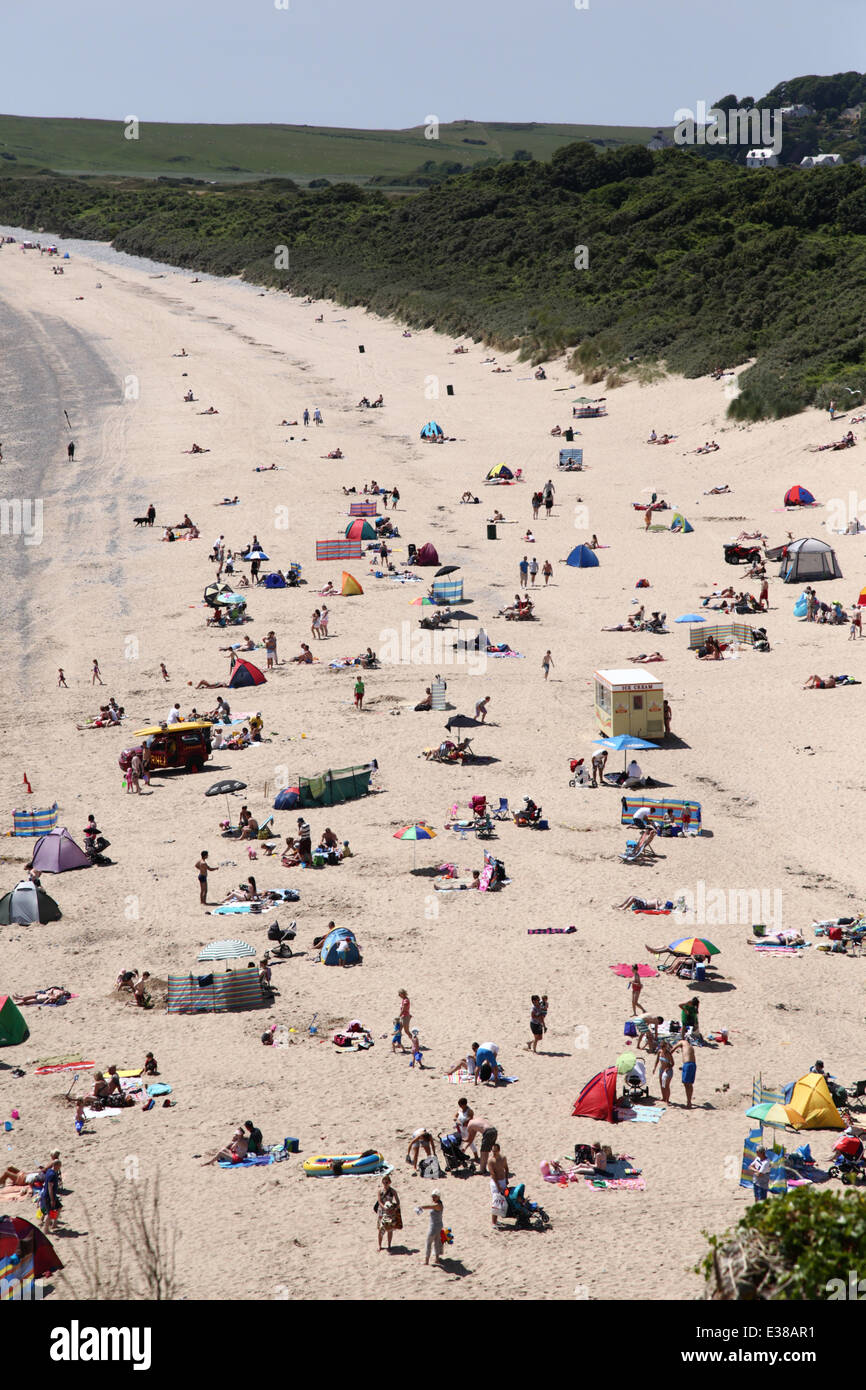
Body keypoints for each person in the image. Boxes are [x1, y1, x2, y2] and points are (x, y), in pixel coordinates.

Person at [376, 1173, 402, 1251]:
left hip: (390, 1212)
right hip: (382, 1211)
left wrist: (394, 1209)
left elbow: (398, 1202)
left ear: (389, 1182)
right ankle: (379, 1245)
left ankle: (389, 1245)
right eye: (383, 1182)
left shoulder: (393, 1191)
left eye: (386, 1182)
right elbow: (379, 1201)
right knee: (381, 1229)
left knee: (390, 1229)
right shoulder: (380, 1191)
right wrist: (384, 1207)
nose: (385, 1184)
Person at [419, 1191, 444, 1266]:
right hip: (439, 1225)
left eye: (434, 1196)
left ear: (438, 1197)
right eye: (432, 1196)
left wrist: (421, 1207)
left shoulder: (437, 1205)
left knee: (429, 1242)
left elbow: (430, 1206)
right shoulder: (439, 1204)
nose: (433, 1198)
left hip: (434, 1226)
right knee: (437, 1242)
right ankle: (437, 1259)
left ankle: (426, 1261)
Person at [673, 1036, 697, 1108]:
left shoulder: (683, 1042)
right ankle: (689, 1101)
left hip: (688, 1065)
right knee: (689, 1084)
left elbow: (673, 1048)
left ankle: (689, 1102)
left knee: (687, 1084)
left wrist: (667, 1054)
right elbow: (689, 1057)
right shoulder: (690, 1047)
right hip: (691, 1065)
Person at [488, 1143, 509, 1226]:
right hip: (495, 1183)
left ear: (499, 1150)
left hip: (503, 1180)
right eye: (493, 1151)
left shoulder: (503, 1158)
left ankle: (496, 1221)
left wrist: (506, 1179)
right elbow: (493, 1175)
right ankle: (493, 1222)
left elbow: (506, 1168)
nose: (494, 1153)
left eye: (495, 1151)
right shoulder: (491, 1161)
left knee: (502, 1199)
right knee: (496, 1201)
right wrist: (498, 1186)